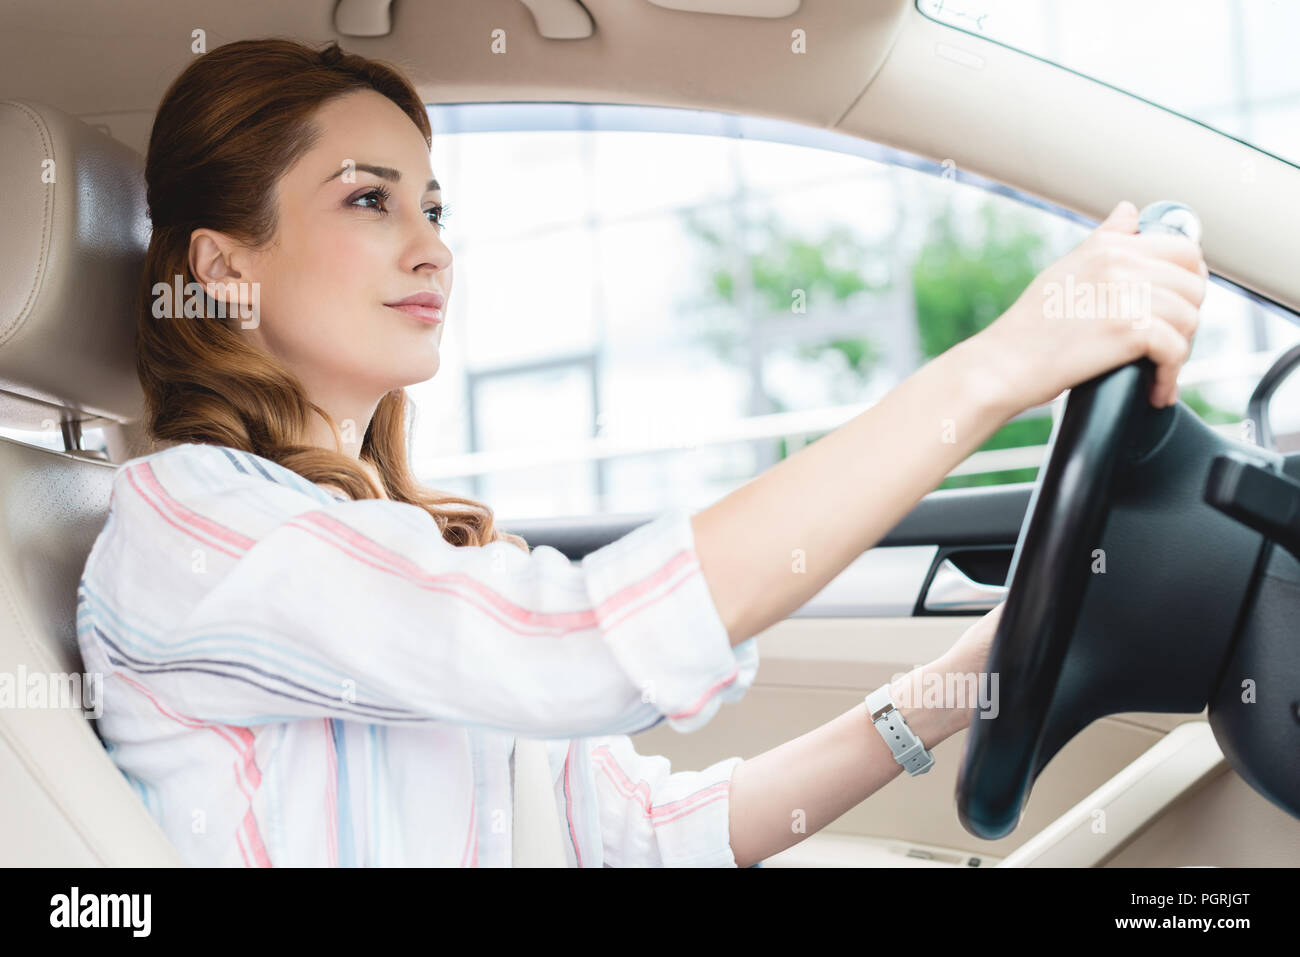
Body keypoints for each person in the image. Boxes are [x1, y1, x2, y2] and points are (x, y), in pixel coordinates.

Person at [76, 38, 1206, 868]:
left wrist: (986, 666)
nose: (432, 248)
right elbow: (579, 647)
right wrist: (998, 366)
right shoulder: (196, 526)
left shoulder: (390, 545)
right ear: (223, 267)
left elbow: (649, 835)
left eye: (434, 205)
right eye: (370, 201)